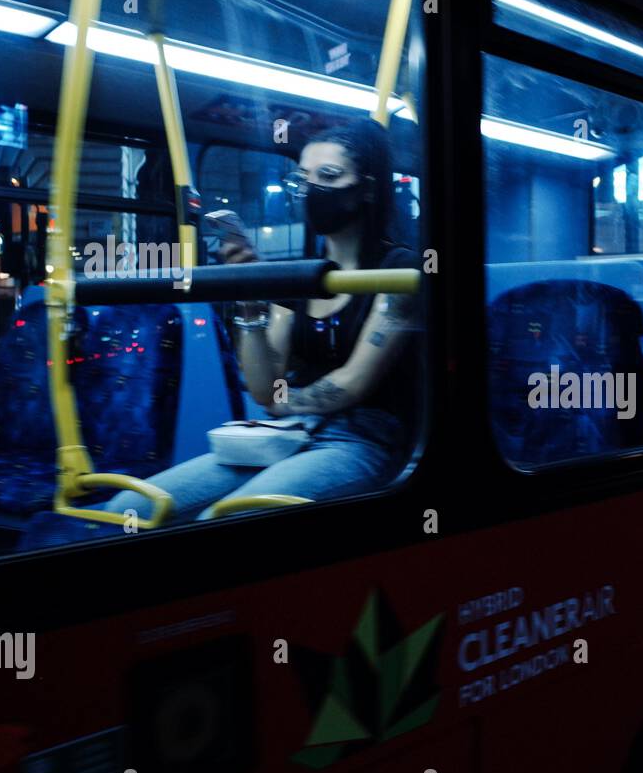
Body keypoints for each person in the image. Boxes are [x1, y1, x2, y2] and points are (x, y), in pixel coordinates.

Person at [106, 120, 419, 522]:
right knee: (131, 508)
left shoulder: (398, 269)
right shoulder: (302, 275)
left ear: (368, 189)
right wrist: (249, 296)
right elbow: (261, 383)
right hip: (286, 435)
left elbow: (351, 383)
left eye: (329, 176)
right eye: (303, 178)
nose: (311, 190)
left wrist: (281, 402)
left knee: (225, 519)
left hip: (361, 439)